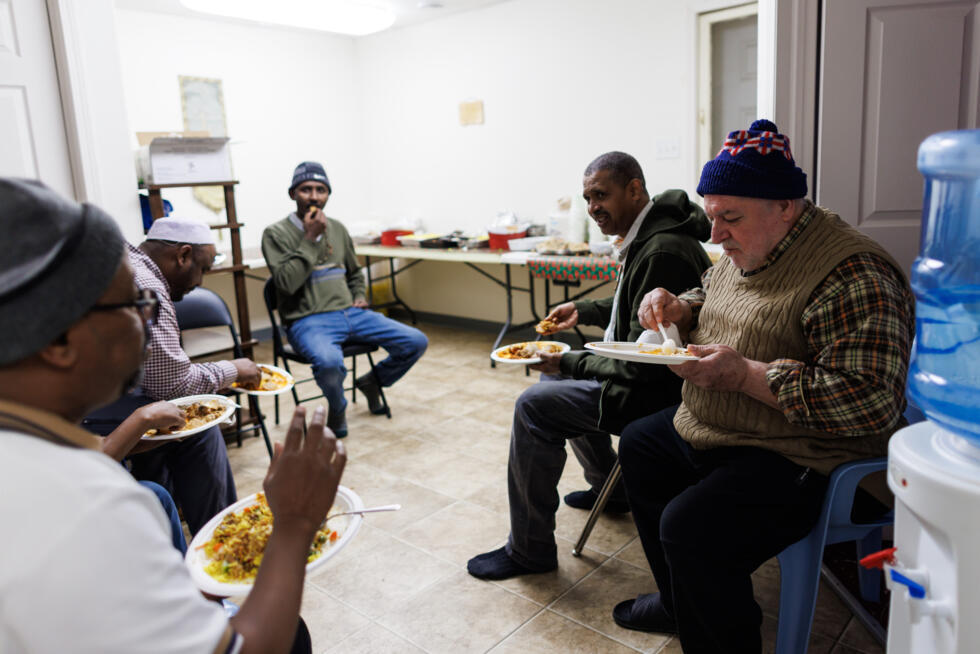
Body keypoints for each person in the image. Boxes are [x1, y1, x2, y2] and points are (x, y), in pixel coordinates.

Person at [0, 177, 346, 653]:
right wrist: (295, 523)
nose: (149, 320)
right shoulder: (90, 509)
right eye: (135, 306)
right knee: (294, 639)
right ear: (61, 340)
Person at [611, 120, 915, 653]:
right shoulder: (748, 246)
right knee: (640, 444)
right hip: (726, 426)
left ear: (786, 208)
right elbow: (721, 301)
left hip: (807, 451)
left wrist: (747, 376)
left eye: (729, 218)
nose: (715, 235)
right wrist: (683, 309)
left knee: (692, 529)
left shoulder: (854, 274)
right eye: (711, 216)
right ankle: (683, 602)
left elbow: (870, 402)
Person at [467, 152, 712, 580]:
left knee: (534, 405)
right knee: (556, 377)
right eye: (587, 199)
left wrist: (568, 359)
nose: (593, 207)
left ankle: (529, 550)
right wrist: (582, 309)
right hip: (648, 382)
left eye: (601, 195)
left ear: (634, 190)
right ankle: (610, 489)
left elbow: (644, 365)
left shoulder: (662, 249)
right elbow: (632, 307)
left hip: (656, 396)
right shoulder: (653, 235)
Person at [83, 215, 262, 535]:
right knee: (199, 425)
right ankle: (222, 536)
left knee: (172, 422)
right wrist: (234, 369)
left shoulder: (126, 262)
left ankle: (171, 518)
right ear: (183, 255)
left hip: (92, 401)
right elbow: (175, 385)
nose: (201, 282)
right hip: (90, 414)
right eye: (202, 269)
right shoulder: (147, 285)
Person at [262, 161, 428, 437]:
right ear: (293, 194)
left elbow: (354, 273)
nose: (314, 197)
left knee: (415, 341)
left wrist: (359, 295)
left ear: (328, 194)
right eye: (305, 189)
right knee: (329, 363)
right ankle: (337, 407)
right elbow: (287, 284)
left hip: (351, 313)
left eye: (321, 190)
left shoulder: (337, 228)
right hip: (307, 320)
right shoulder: (275, 233)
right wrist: (310, 238)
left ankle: (373, 382)